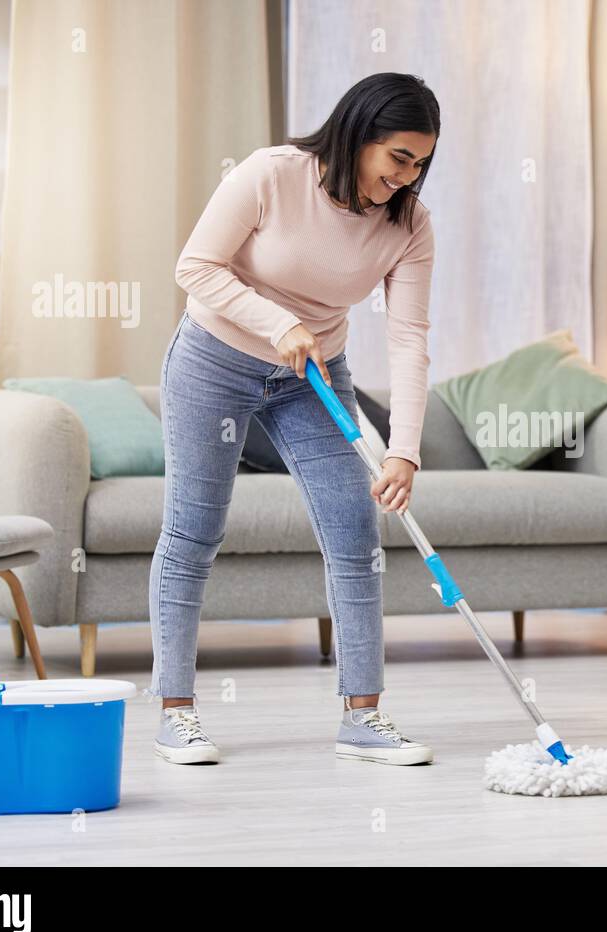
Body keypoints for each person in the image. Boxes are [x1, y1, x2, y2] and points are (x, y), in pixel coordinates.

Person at [148, 73, 440, 767]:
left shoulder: (409, 225)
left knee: (354, 530)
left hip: (314, 379)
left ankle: (362, 716)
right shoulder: (271, 176)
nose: (405, 178)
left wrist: (403, 451)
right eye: (397, 157)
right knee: (194, 527)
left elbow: (408, 339)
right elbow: (196, 266)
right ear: (358, 132)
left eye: (420, 165)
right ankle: (176, 713)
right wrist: (277, 322)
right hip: (214, 360)